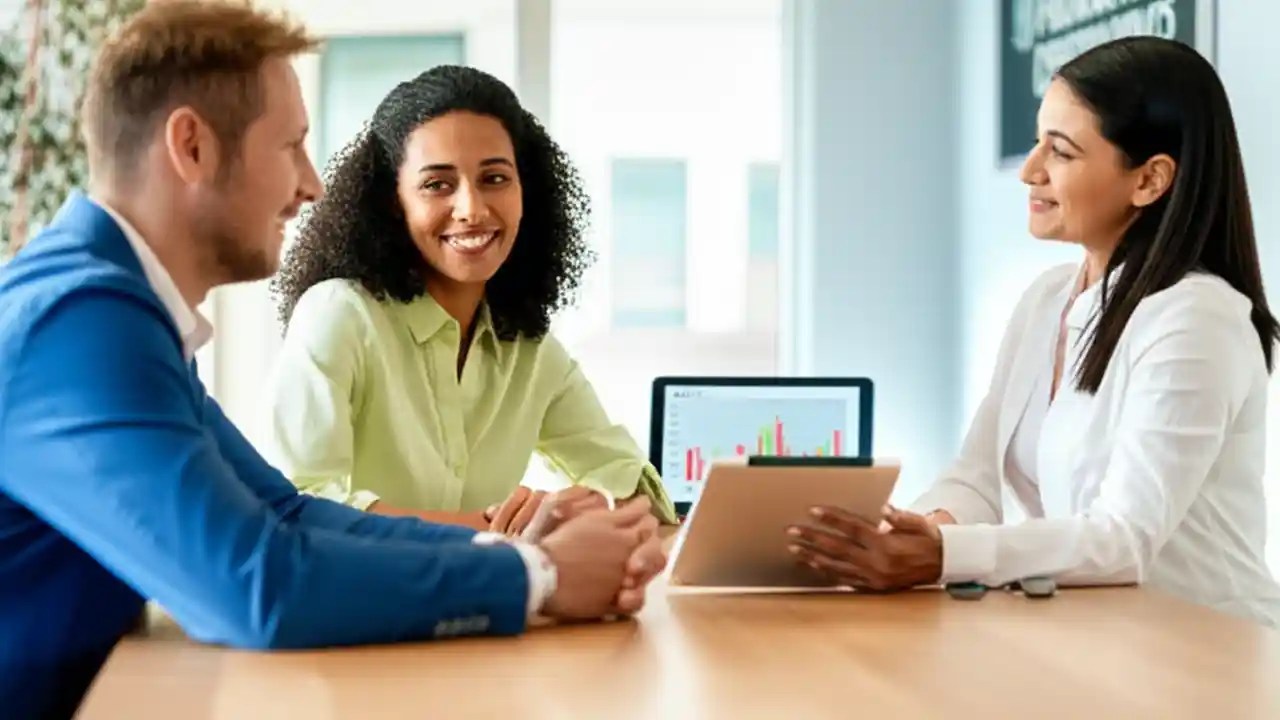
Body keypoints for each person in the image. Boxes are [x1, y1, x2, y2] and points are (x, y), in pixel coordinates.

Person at [0, 4, 664, 718]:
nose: (312, 185)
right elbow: (258, 587)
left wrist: (503, 550)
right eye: (290, 146)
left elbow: (284, 513)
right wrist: (537, 576)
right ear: (191, 147)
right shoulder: (79, 324)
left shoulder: (118, 311)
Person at [786, 36, 1280, 627]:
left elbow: (1124, 537)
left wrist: (940, 557)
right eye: (1037, 140)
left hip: (1207, 654)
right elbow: (977, 480)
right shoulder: (1047, 299)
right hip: (1097, 643)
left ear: (1149, 181)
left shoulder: (1196, 319)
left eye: (1062, 152)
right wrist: (900, 536)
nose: (1029, 171)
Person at [263, 64, 677, 534]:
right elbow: (302, 505)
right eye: (437, 184)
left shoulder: (530, 348)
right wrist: (492, 532)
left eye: (495, 178)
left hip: (489, 602)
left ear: (528, 191)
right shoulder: (339, 315)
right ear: (392, 202)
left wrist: (564, 513)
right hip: (363, 602)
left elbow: (631, 488)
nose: (473, 210)